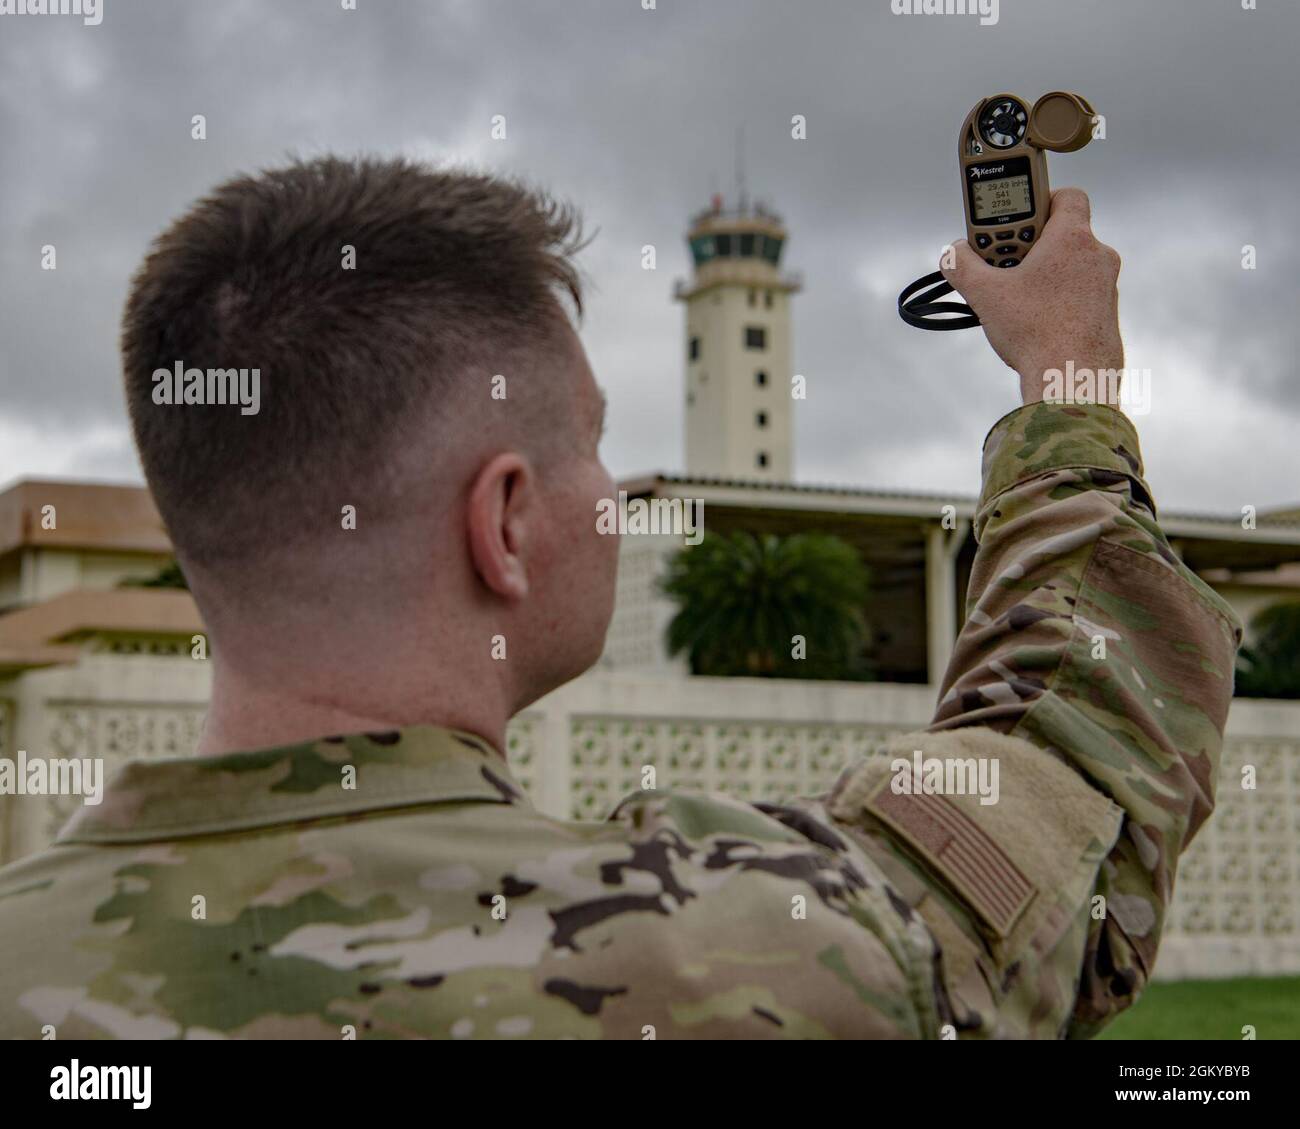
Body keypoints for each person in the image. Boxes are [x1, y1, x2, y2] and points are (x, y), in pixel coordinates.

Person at [0, 157, 1241, 1039]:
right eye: (589, 446)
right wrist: (1066, 376)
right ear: (502, 525)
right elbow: (1074, 757)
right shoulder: (735, 950)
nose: (610, 490)